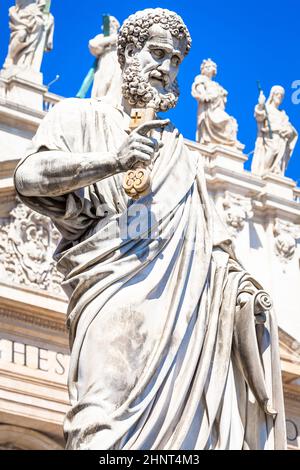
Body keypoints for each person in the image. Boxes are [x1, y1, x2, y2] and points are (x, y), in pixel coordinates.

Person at [14, 8, 285, 450]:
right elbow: (28, 178)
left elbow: (215, 253)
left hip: (180, 328)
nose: (166, 66)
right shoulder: (78, 116)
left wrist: (243, 294)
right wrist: (111, 161)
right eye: (156, 53)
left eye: (175, 59)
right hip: (109, 302)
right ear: (126, 54)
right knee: (98, 429)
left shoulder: (182, 156)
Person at [191, 58, 242, 148]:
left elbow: (221, 97)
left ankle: (229, 144)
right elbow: (199, 88)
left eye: (212, 67)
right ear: (204, 69)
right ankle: (215, 141)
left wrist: (222, 93)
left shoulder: (215, 84)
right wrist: (204, 95)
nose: (211, 68)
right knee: (227, 120)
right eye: (208, 67)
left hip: (216, 108)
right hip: (209, 109)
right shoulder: (201, 78)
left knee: (230, 121)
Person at [251, 86, 298, 176]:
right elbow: (259, 116)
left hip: (281, 139)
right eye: (277, 94)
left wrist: (289, 131)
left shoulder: (282, 114)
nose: (279, 97)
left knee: (279, 158)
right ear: (272, 95)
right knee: (273, 150)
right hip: (270, 137)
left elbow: (290, 127)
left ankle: (275, 171)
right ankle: (263, 172)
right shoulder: (267, 108)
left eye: (281, 95)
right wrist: (261, 104)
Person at [3, 0, 54, 73]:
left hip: (36, 17)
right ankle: (10, 58)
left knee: (33, 44)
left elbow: (44, 5)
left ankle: (26, 64)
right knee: (21, 34)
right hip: (23, 16)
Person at [88, 16, 122, 105]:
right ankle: (98, 102)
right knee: (103, 82)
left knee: (115, 82)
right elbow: (93, 44)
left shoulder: (121, 38)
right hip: (105, 61)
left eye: (113, 24)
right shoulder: (102, 37)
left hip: (118, 61)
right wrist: (111, 39)